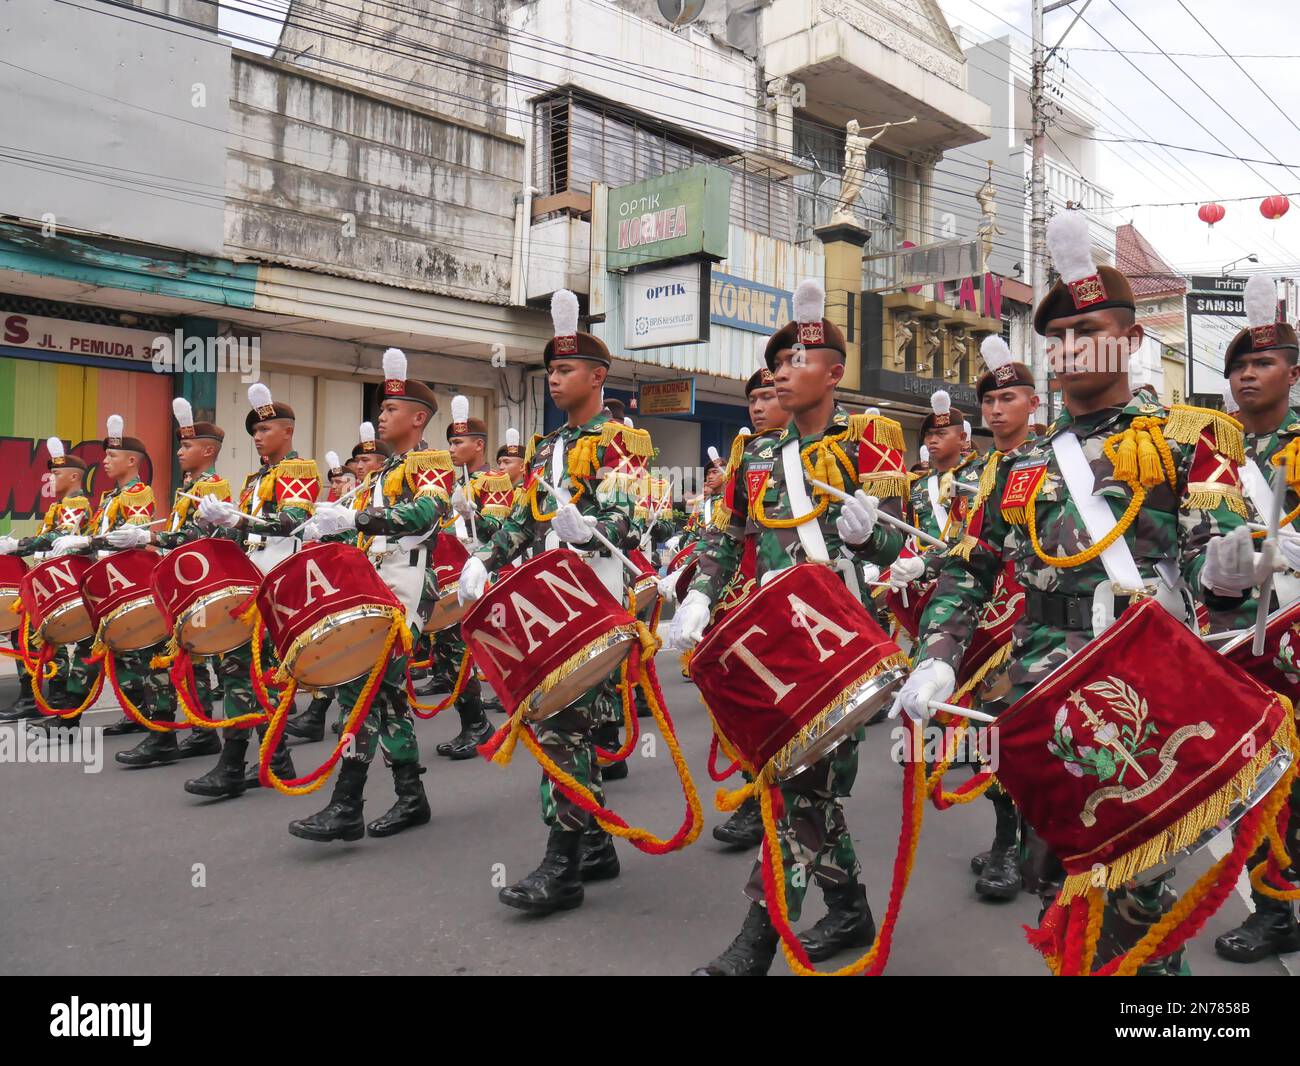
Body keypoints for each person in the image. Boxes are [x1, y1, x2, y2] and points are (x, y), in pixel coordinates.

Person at [892, 208, 1261, 975]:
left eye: (1089, 329)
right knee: (1060, 881)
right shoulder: (1016, 467)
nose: (1070, 348)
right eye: (1057, 336)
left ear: (1128, 339)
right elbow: (970, 567)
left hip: (1144, 687)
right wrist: (938, 655)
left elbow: (1210, 559)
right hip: (1042, 691)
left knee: (1135, 905)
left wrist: (1224, 582)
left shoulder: (1184, 441)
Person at [673, 278, 907, 975]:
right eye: (777, 365)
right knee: (800, 785)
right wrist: (697, 596)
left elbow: (913, 552)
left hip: (841, 647)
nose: (781, 374)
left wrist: (873, 543)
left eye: (797, 362)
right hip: (776, 642)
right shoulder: (756, 456)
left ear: (834, 373)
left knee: (797, 790)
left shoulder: (871, 444)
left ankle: (759, 935)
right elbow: (724, 538)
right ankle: (849, 908)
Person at [458, 289, 640, 914]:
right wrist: (487, 558)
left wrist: (590, 527)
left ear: (598, 376)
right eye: (550, 371)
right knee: (563, 721)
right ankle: (594, 847)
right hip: (548, 594)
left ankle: (561, 865)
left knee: (562, 723)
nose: (555, 380)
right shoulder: (544, 448)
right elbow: (522, 518)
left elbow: (632, 519)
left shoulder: (622, 442)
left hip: (593, 592)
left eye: (565, 371)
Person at [288, 350, 449, 841]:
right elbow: (356, 534)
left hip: (405, 589)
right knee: (385, 696)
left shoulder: (431, 463)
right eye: (381, 409)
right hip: (373, 587)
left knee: (362, 688)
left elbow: (425, 516)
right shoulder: (377, 476)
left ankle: (346, 803)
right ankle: (409, 797)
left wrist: (355, 519)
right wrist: (324, 528)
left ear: (418, 418)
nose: (381, 415)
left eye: (391, 409)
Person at [1214, 274, 1300, 963]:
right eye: (1238, 366)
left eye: (1261, 363)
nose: (1247, 376)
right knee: (1259, 780)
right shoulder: (1212, 456)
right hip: (1238, 640)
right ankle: (1274, 908)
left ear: (1292, 373)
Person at [186, 384, 313, 794]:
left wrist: (237, 521)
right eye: (254, 430)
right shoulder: (256, 478)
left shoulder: (298, 470)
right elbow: (245, 536)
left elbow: (290, 522)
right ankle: (270, 761)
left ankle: (242, 765)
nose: (257, 436)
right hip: (250, 581)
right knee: (245, 672)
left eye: (266, 428)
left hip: (278, 582)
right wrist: (217, 526)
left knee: (255, 673)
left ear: (288, 432)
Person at [285, 423, 391, 742]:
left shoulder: (390, 490)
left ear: (383, 464)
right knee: (340, 643)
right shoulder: (354, 497)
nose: (358, 466)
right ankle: (322, 714)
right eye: (356, 461)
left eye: (367, 461)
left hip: (386, 575)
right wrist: (322, 532)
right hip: (354, 577)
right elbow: (351, 535)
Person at [143, 398, 232, 761]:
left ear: (208, 450)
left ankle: (172, 733)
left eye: (187, 446)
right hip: (179, 583)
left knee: (179, 654)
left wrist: (150, 538)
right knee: (180, 654)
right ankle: (193, 729)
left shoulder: (214, 487)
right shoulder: (191, 487)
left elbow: (197, 538)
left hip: (196, 586)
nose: (180, 452)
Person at [0, 437, 92, 724]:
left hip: (63, 581)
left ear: (74, 476)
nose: (51, 478)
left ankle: (48, 696)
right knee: (38, 637)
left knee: (45, 637)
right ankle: (42, 696)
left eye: (57, 473)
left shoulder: (76, 504)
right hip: (50, 579)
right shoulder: (60, 505)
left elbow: (55, 537)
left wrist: (18, 545)